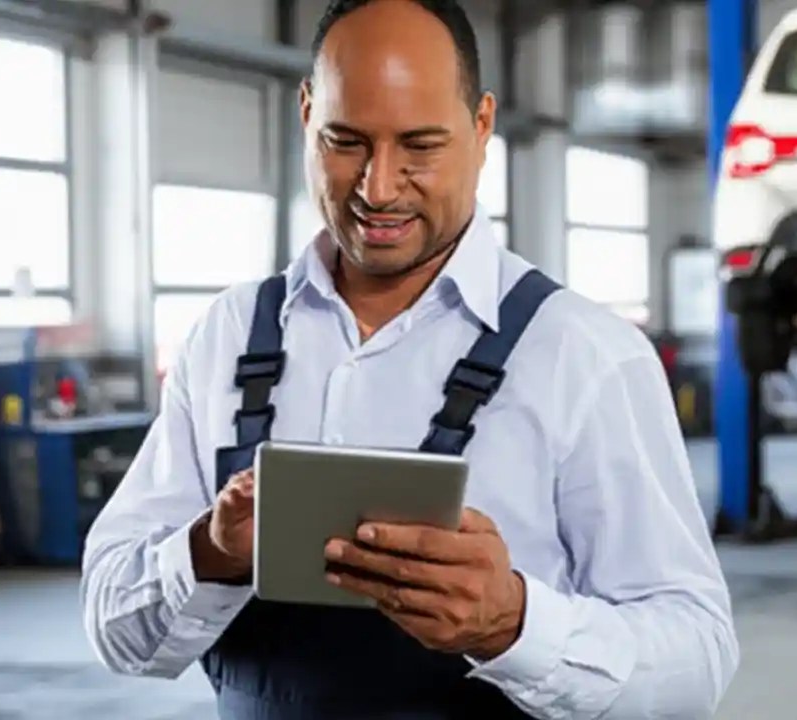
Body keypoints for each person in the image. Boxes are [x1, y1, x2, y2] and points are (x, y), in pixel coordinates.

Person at [78, 0, 738, 718]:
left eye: (420, 145)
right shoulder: (230, 336)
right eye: (346, 141)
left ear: (482, 126)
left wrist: (514, 623)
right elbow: (115, 631)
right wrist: (208, 551)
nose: (379, 187)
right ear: (305, 114)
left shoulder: (586, 356)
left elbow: (695, 663)